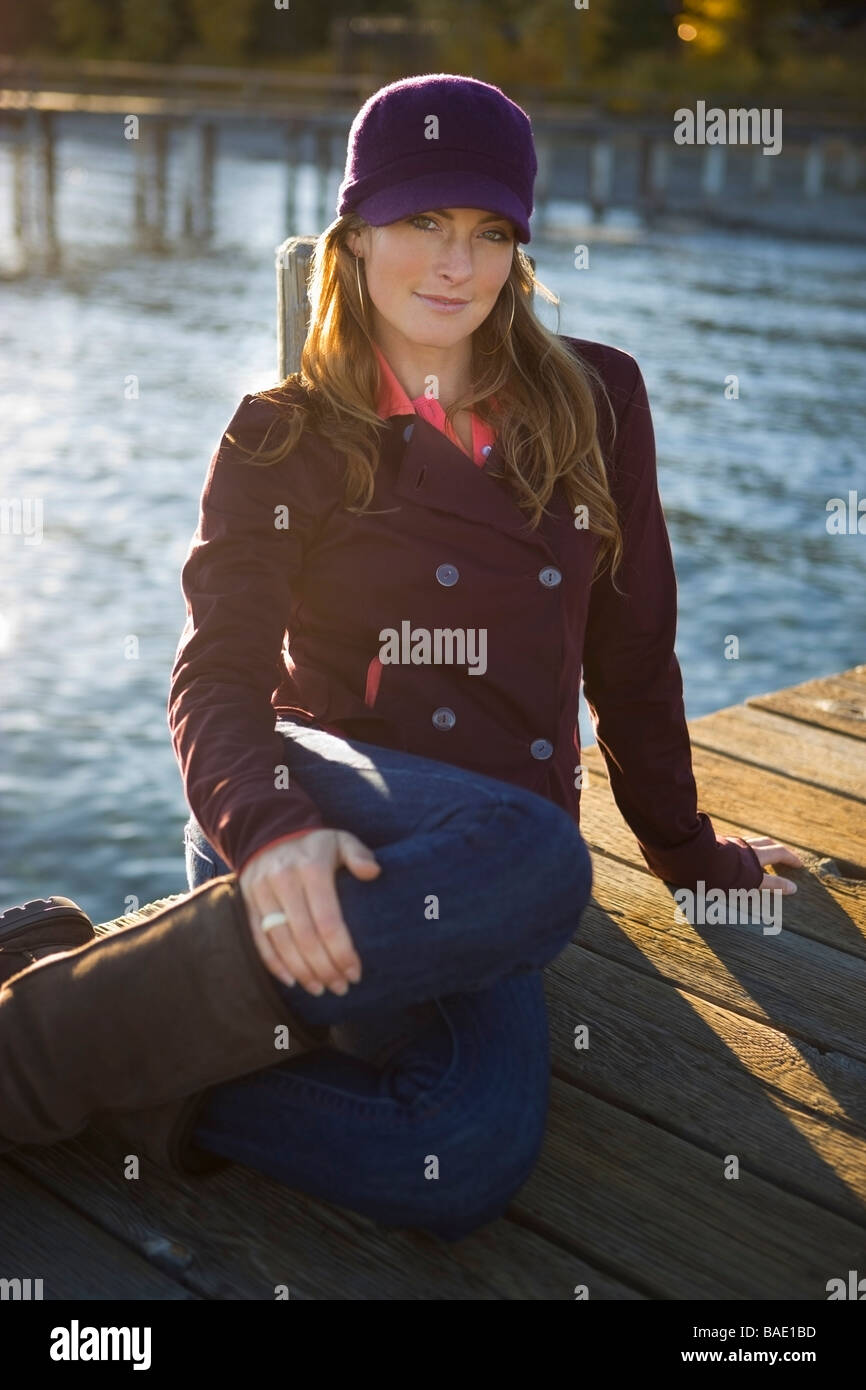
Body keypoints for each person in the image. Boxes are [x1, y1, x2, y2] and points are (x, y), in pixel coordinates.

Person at [0, 74, 802, 1244]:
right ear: (357, 231)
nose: (453, 265)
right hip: (309, 809)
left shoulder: (601, 397)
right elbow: (215, 671)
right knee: (536, 854)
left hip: (478, 872)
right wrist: (267, 834)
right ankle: (31, 1054)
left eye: (487, 233)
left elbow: (633, 653)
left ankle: (86, 1000)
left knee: (457, 1154)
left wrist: (687, 857)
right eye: (423, 221)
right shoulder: (280, 431)